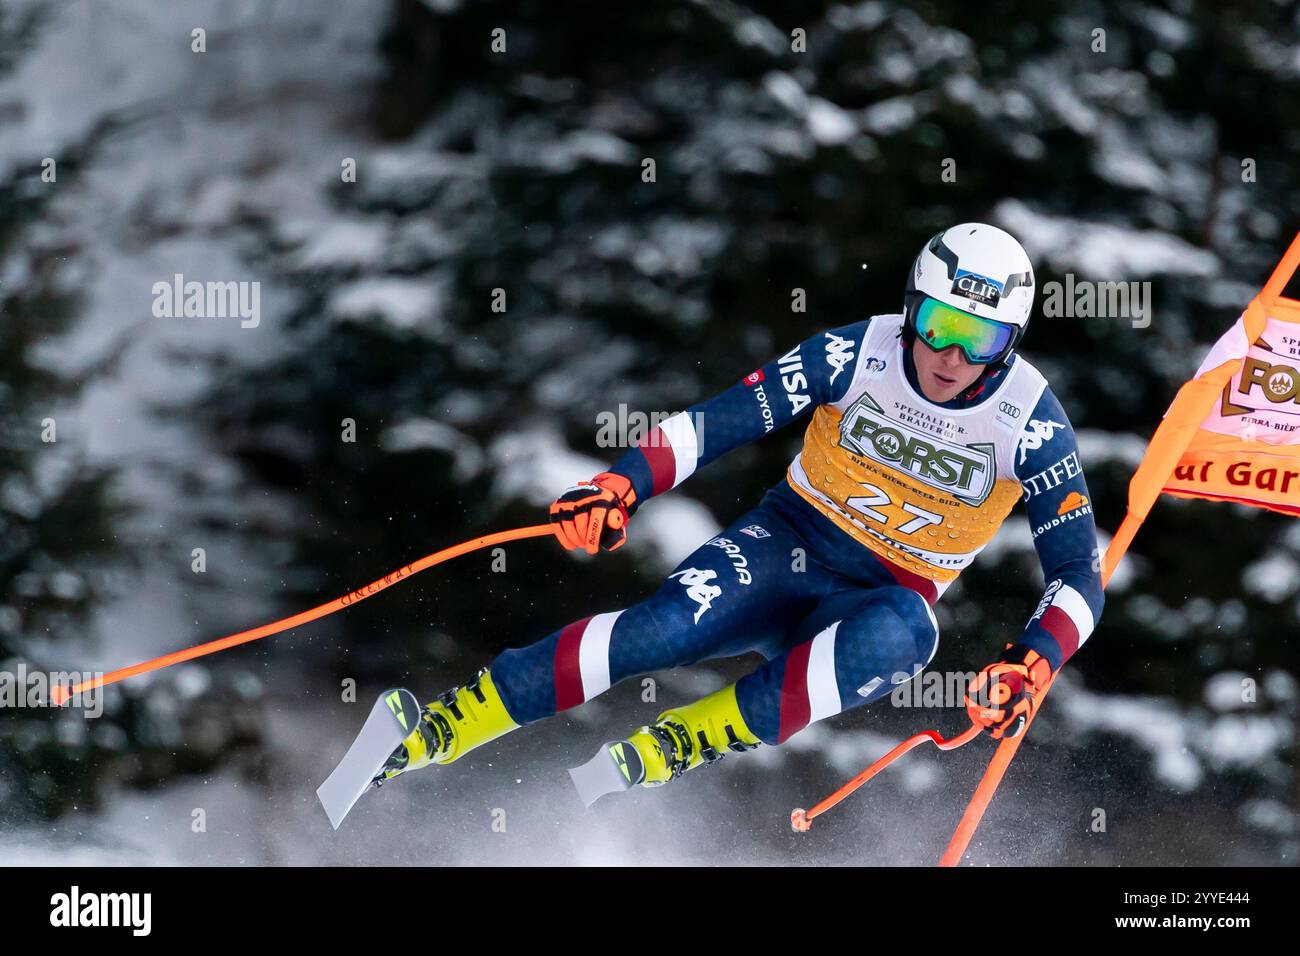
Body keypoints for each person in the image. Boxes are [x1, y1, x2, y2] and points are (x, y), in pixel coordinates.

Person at [376, 223, 1104, 801]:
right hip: (785, 543)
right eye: (940, 324)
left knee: (911, 635)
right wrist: (623, 484)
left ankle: (682, 741)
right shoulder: (857, 352)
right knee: (657, 633)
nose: (950, 356)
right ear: (912, 308)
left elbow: (1077, 571)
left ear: (1009, 347)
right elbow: (722, 419)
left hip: (883, 597)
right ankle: (445, 728)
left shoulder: (1030, 423)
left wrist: (1032, 661)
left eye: (981, 340)